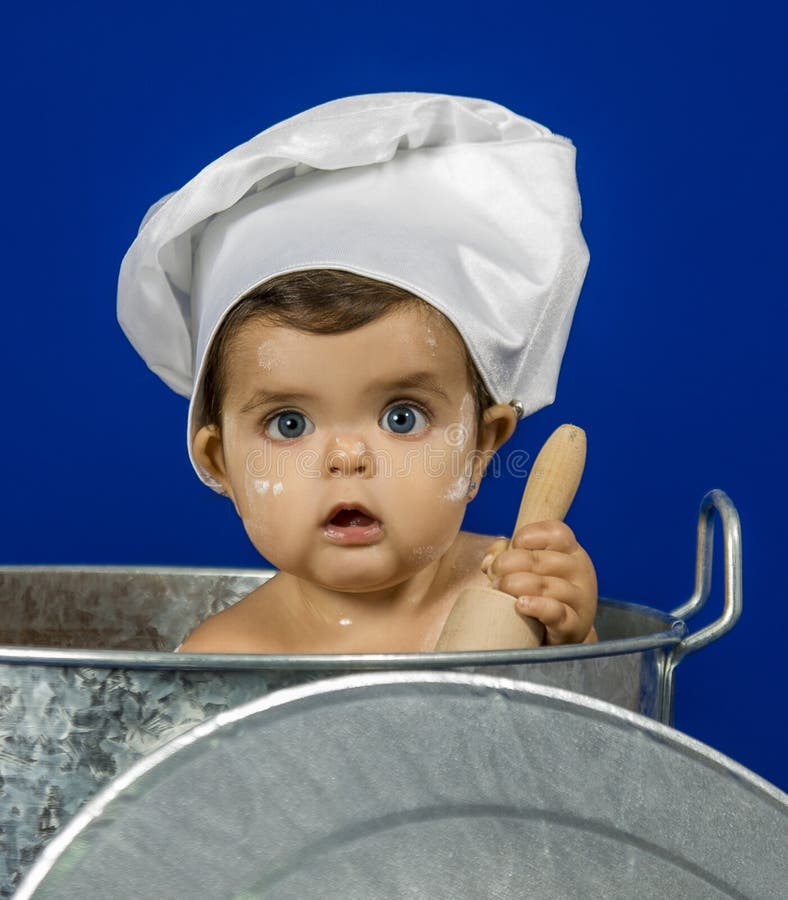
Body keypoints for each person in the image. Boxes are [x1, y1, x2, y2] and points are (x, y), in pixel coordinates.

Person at [117, 92, 598, 653]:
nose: (348, 458)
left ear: (479, 447)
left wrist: (573, 635)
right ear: (221, 463)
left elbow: (588, 734)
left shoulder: (512, 592)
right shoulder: (229, 654)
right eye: (289, 423)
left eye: (401, 417)